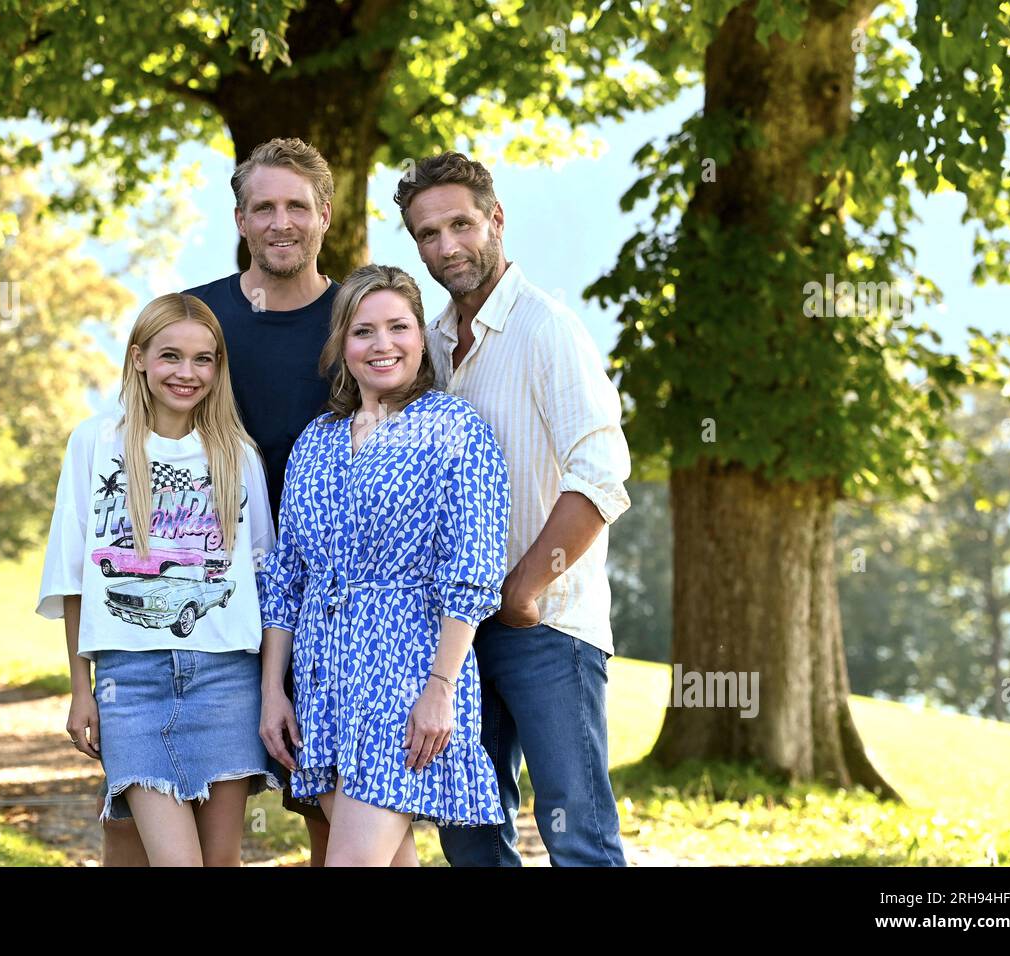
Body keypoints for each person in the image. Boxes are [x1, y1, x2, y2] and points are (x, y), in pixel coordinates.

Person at [99, 137, 342, 866]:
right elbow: (127, 444)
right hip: (205, 605)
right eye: (262, 207)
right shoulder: (197, 319)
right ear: (239, 218)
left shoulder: (354, 321)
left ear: (324, 215)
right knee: (138, 819)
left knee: (326, 798)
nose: (280, 222)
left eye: (297, 206)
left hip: (321, 597)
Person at [395, 151, 633, 867]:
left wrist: (525, 587)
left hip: (546, 628)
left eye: (460, 225)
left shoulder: (546, 329)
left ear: (496, 221)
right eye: (427, 235)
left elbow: (602, 476)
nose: (446, 247)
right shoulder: (428, 343)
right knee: (469, 837)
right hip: (454, 636)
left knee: (578, 838)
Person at [257, 264, 510, 866]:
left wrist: (441, 688)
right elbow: (287, 574)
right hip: (325, 681)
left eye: (398, 327)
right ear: (342, 343)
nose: (382, 345)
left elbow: (473, 568)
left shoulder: (455, 429)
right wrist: (273, 690)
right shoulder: (317, 438)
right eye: (364, 331)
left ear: (421, 338)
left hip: (407, 677)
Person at [37, 293, 280, 866]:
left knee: (220, 861)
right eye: (171, 356)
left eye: (204, 359)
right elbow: (73, 574)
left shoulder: (237, 455)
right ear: (139, 358)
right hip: (131, 682)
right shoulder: (94, 444)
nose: (187, 373)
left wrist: (272, 689)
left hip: (227, 680)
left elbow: (265, 582)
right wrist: (81, 688)